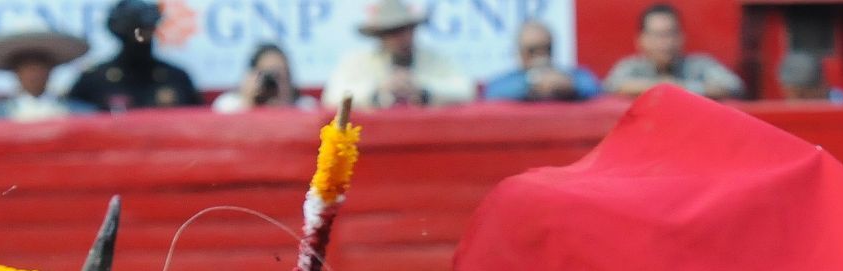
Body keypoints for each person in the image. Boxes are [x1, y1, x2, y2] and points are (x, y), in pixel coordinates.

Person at [330, 1, 474, 108]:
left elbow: (466, 90)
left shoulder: (437, 60)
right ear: (380, 36)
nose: (404, 38)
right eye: (394, 32)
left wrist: (422, 90)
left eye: (408, 30)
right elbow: (333, 96)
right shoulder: (357, 62)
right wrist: (378, 90)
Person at [68, 0, 201, 113]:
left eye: (148, 30)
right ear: (121, 33)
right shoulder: (95, 80)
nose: (142, 38)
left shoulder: (175, 77)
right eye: (136, 32)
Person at [605, 5, 744, 100]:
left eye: (670, 34)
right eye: (657, 35)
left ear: (681, 37)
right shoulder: (631, 66)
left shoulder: (700, 65)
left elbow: (733, 86)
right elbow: (611, 85)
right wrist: (664, 87)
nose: (665, 42)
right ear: (642, 40)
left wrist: (680, 88)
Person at [0, 21, 93, 122]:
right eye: (27, 68)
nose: (34, 74)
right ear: (15, 71)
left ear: (51, 69)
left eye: (40, 67)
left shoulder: (82, 114)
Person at [481, 21, 601, 102]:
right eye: (532, 50)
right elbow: (491, 92)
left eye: (546, 48)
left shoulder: (568, 75)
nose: (540, 54)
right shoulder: (510, 80)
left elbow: (593, 86)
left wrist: (569, 85)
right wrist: (532, 82)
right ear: (520, 52)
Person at [213, 44, 321, 112]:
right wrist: (248, 102)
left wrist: (284, 106)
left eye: (278, 75)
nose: (271, 81)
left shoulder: (305, 106)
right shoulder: (229, 105)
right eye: (266, 74)